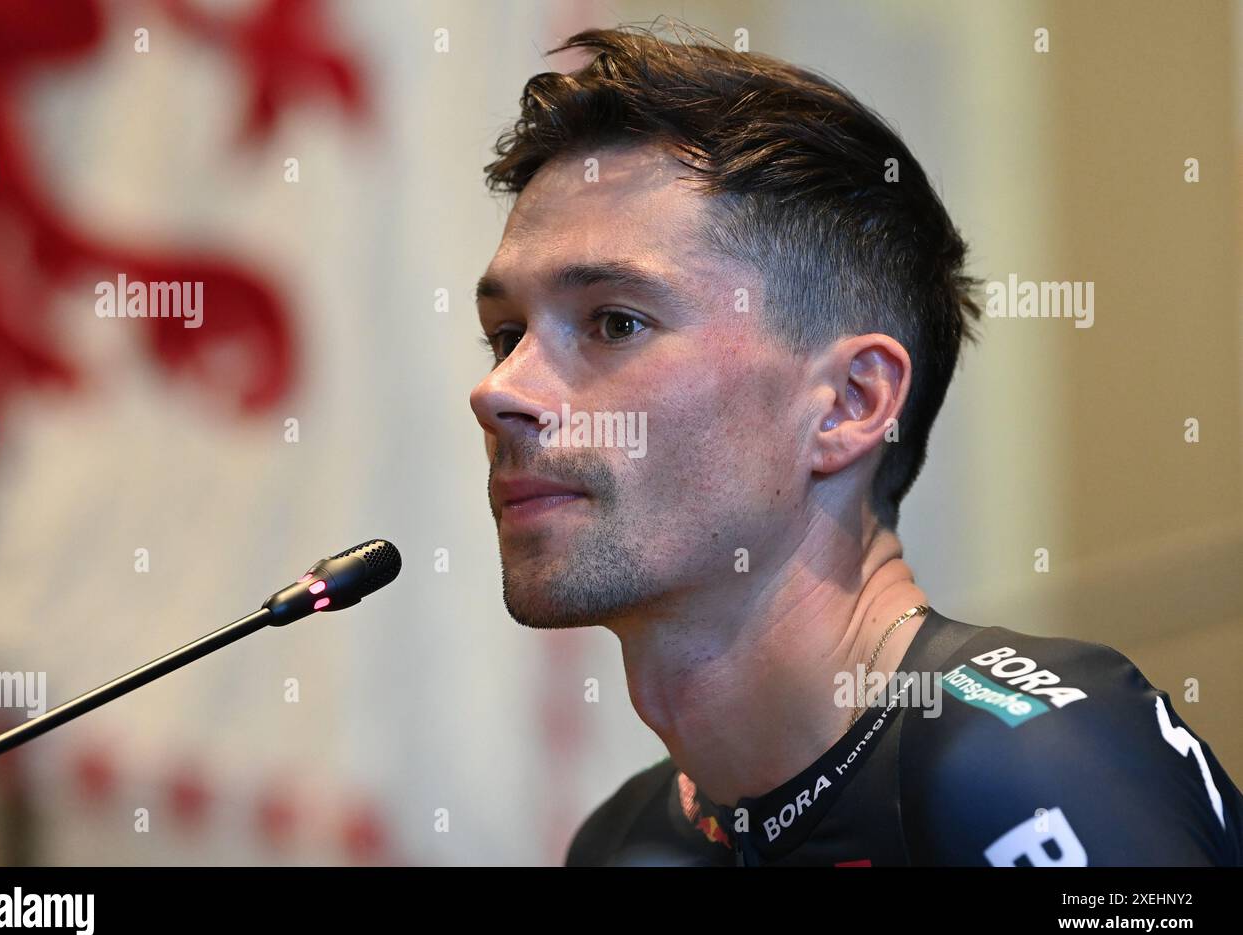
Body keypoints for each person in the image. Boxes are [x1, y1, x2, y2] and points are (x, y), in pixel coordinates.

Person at [468, 23, 1243, 866]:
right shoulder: (624, 842)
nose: (500, 390)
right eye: (505, 334)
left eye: (616, 322)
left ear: (849, 403)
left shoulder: (1028, 768)